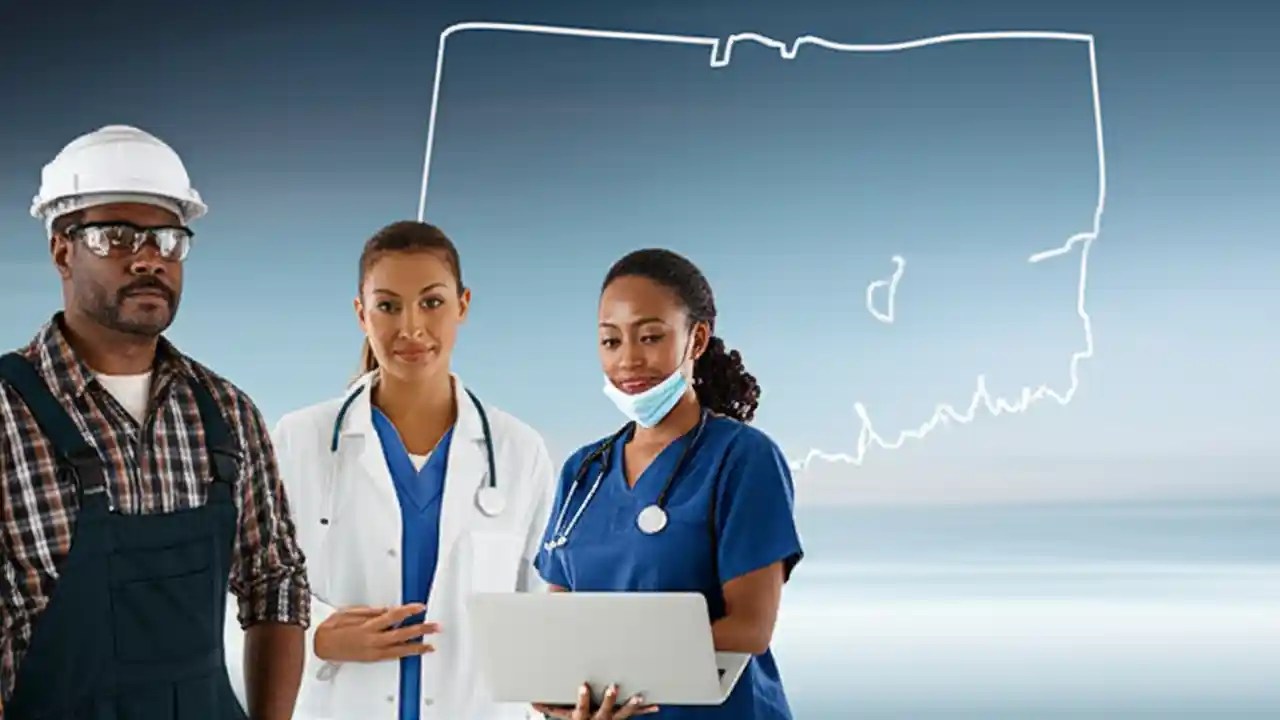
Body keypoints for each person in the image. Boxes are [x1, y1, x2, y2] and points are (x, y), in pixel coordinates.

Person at [0, 125, 309, 720]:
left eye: (168, 239)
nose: (149, 257)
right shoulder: (8, 418)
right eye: (117, 236)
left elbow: (275, 582)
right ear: (62, 250)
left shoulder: (226, 415)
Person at [260, 220, 557, 719]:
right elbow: (246, 589)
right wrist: (317, 634)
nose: (411, 327)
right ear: (361, 313)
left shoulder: (518, 451)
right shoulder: (299, 439)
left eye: (432, 302)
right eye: (388, 305)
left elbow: (545, 612)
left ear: (463, 304)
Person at [531, 248, 804, 720]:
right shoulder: (583, 471)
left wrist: (616, 664)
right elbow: (562, 627)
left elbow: (750, 628)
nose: (628, 360)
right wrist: (564, 696)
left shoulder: (742, 459)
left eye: (651, 336)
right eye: (611, 341)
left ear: (696, 339)